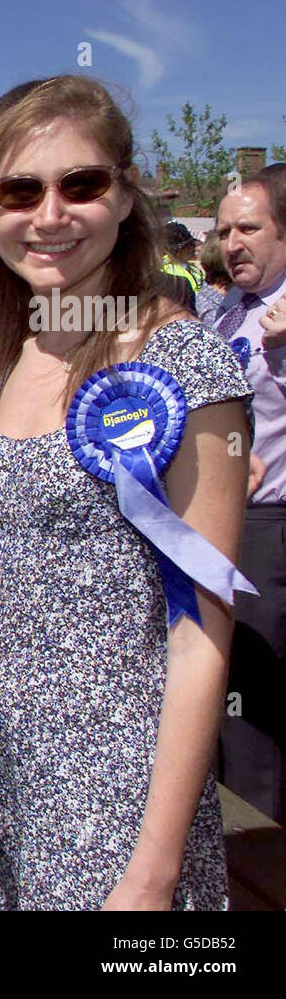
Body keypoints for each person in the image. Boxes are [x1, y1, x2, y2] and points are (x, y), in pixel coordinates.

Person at [0, 76, 251, 910]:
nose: (49, 214)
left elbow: (203, 630)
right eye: (21, 190)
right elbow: (5, 563)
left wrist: (154, 871)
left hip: (115, 791)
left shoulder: (183, 365)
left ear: (125, 196)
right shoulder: (21, 345)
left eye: (80, 184)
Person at [212, 166, 286, 823]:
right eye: (225, 230)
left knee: (259, 711)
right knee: (234, 703)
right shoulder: (230, 312)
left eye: (250, 228)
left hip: (273, 529)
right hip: (224, 524)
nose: (232, 242)